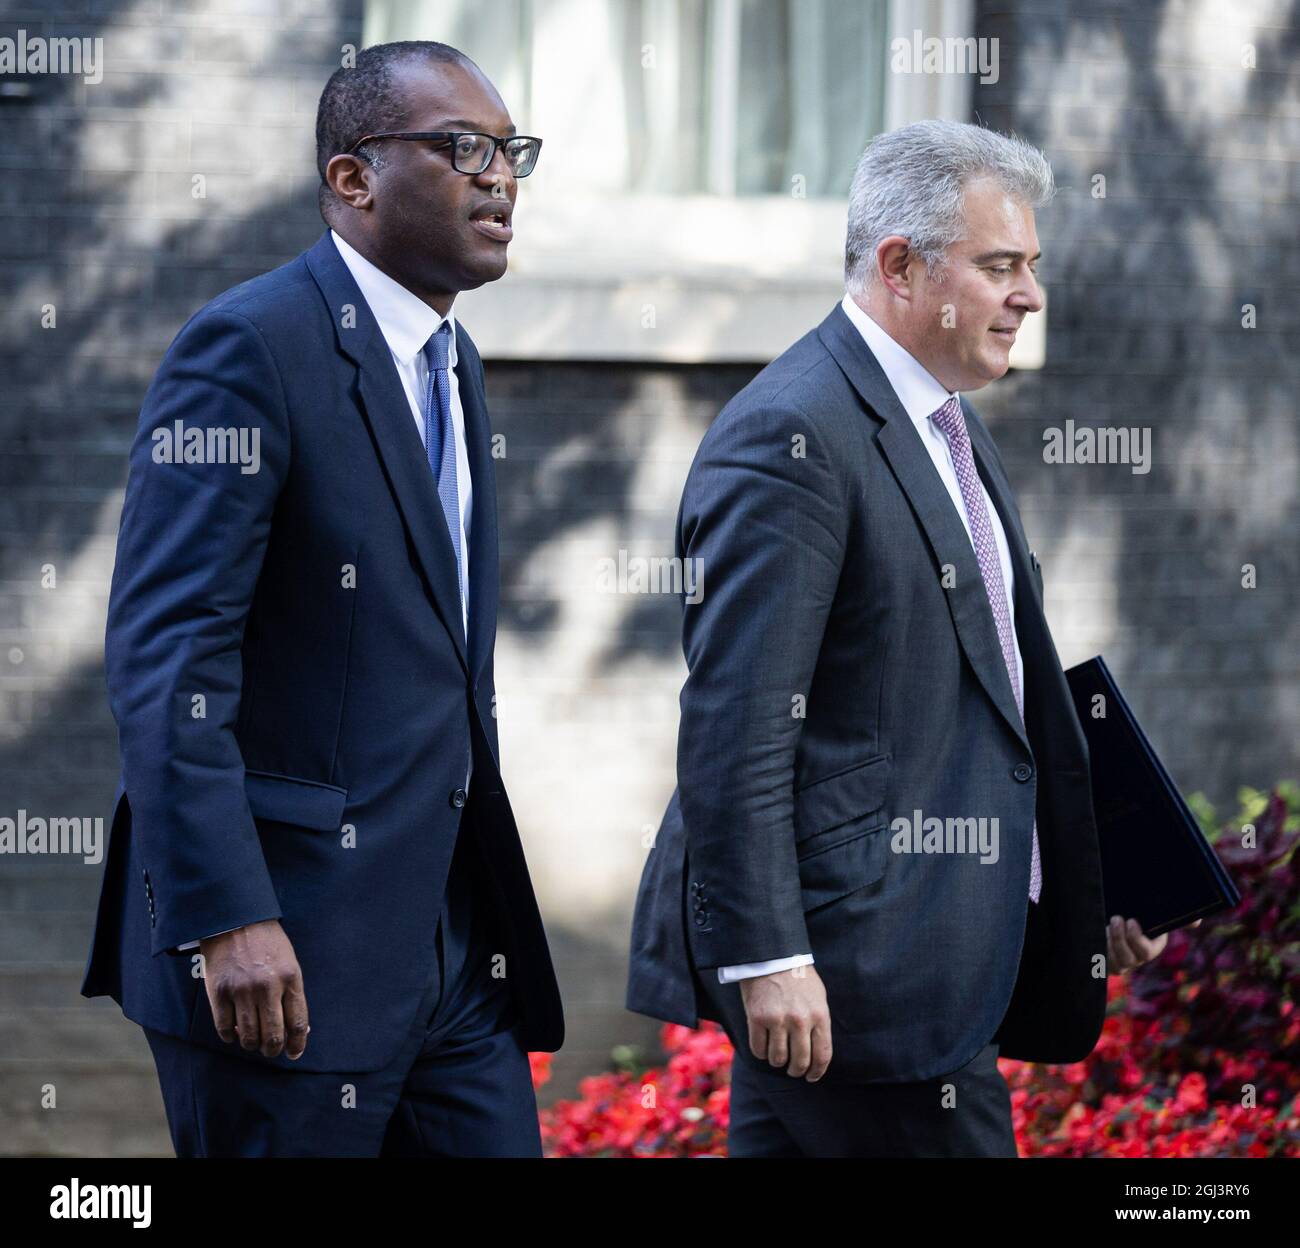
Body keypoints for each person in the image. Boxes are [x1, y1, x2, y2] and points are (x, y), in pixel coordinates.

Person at [627, 120, 1177, 1158]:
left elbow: (989, 691)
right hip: (861, 977)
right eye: (999, 266)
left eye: (1032, 266)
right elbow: (735, 723)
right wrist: (766, 955)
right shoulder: (791, 437)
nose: (1029, 295)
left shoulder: (943, 423)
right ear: (899, 265)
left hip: (906, 963)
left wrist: (1079, 879)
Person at [81, 40, 562, 1157]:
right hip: (279, 954)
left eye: (511, 152)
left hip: (445, 951)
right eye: (463, 148)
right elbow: (168, 658)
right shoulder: (248, 349)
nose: (499, 177)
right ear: (352, 179)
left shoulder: (452, 358)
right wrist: (227, 915)